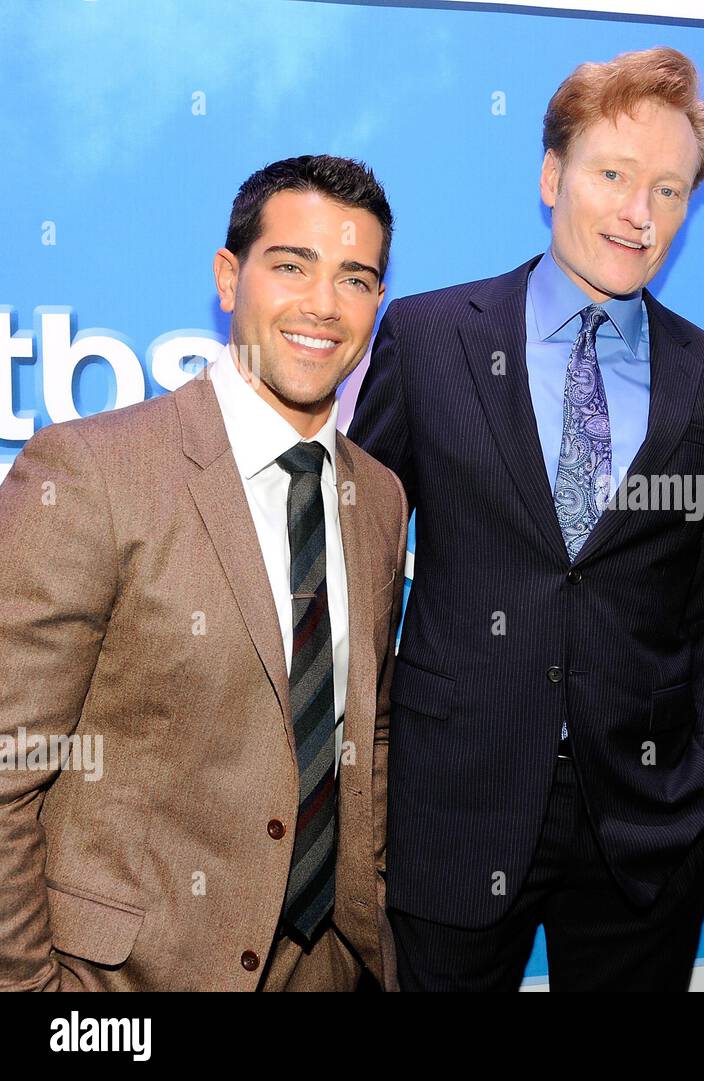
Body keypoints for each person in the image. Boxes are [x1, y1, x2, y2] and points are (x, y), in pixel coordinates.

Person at [349, 46, 704, 991]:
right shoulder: (430, 335)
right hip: (451, 800)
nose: (637, 213)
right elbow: (358, 555)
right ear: (550, 176)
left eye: (668, 189)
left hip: (647, 823)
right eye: (613, 175)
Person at [0, 155, 409, 991]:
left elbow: (363, 734)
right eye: (292, 265)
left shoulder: (381, 498)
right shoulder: (89, 472)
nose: (323, 306)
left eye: (356, 279)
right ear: (229, 279)